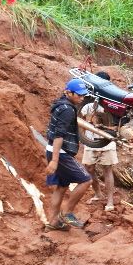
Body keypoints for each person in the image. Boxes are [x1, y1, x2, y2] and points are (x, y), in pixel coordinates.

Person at [45, 79, 96, 230]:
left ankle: (53, 223)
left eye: (83, 95)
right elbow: (59, 135)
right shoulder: (67, 110)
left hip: (53, 150)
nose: (82, 98)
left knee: (61, 187)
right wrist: (55, 160)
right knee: (86, 180)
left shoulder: (61, 104)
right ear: (69, 93)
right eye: (79, 95)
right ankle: (67, 212)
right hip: (61, 153)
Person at [80, 72, 119, 212]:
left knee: (107, 170)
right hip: (90, 142)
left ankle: (110, 201)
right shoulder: (88, 103)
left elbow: (116, 126)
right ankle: (98, 194)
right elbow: (82, 121)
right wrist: (83, 139)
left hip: (107, 143)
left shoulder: (112, 105)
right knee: (89, 168)